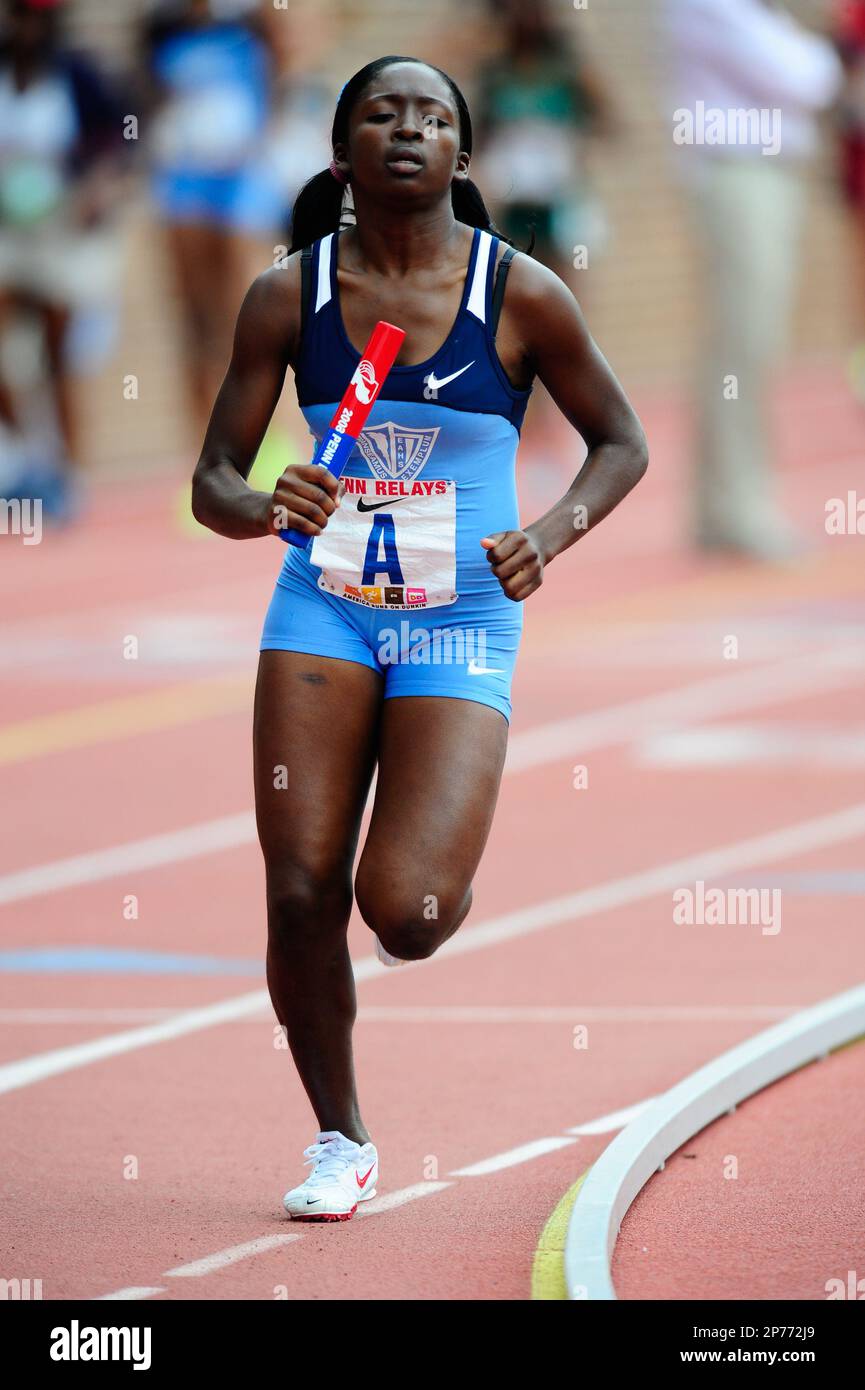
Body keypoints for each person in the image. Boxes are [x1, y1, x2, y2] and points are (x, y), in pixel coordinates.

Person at [191, 56, 647, 1222]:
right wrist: (265, 502)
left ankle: (438, 861)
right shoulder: (286, 296)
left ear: (461, 153)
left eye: (434, 117)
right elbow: (212, 482)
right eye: (384, 115)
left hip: (458, 618)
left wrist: (549, 532)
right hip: (324, 606)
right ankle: (340, 1136)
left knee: (406, 913)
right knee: (299, 892)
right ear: (343, 153)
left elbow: (620, 442)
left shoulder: (524, 292)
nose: (410, 130)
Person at [663, 0, 842, 560]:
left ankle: (725, 506)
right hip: (739, 176)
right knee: (744, 344)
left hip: (764, 176)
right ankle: (738, 508)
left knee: (747, 345)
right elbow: (809, 75)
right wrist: (816, 56)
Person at [0, 0, 127, 518]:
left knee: (60, 347)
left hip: (65, 224)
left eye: (38, 18)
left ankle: (68, 471)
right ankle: (23, 454)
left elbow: (120, 139)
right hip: (10, 226)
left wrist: (97, 187)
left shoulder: (77, 71)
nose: (29, 28)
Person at [140, 0, 283, 441]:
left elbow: (279, 73)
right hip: (183, 183)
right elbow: (147, 97)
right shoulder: (162, 30)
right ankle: (203, 443)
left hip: (240, 183)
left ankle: (259, 435)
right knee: (195, 318)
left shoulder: (250, 26)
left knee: (240, 313)